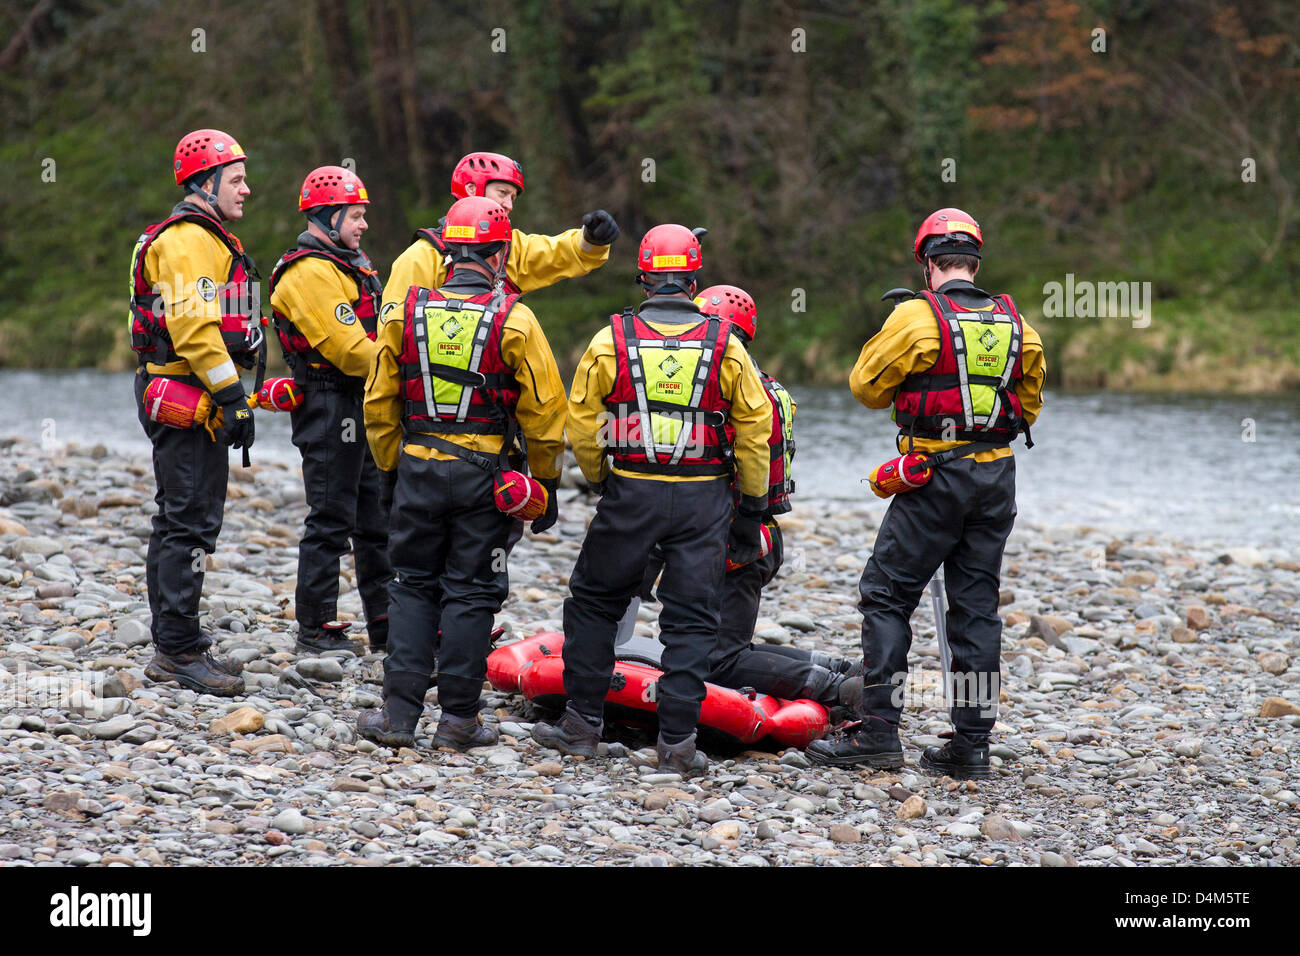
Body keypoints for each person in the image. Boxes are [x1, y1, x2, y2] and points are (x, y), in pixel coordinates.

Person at [807, 208, 1046, 777]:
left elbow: (866, 387)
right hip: (996, 478)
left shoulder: (915, 318)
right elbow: (1029, 403)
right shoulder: (1019, 325)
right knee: (976, 608)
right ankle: (972, 746)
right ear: (975, 262)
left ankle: (880, 734)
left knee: (886, 595)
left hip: (934, 476)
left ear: (927, 262)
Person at [531, 225, 773, 777]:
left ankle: (581, 725)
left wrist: (600, 478)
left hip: (631, 492)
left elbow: (583, 420)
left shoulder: (609, 339)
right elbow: (755, 429)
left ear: (643, 278)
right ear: (693, 278)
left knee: (595, 602)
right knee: (691, 620)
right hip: (703, 499)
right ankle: (678, 745)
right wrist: (753, 506)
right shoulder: (724, 342)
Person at [358, 196, 567, 751]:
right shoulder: (516, 319)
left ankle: (398, 720)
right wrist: (545, 486)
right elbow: (546, 414)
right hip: (487, 483)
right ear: (500, 255)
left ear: (447, 251)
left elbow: (378, 404)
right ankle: (458, 722)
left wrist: (388, 471)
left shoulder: (403, 313)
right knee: (472, 593)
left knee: (411, 587)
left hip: (418, 471)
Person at [128, 128, 265, 696]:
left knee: (180, 519)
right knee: (189, 523)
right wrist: (234, 399)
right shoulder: (187, 240)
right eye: (235, 179)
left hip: (192, 392)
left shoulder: (208, 238)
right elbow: (192, 330)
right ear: (205, 183)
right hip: (184, 396)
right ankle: (178, 651)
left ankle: (175, 640)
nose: (246, 189)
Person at [677, 284, 856, 707]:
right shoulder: (773, 388)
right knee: (723, 643)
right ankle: (841, 669)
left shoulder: (723, 389)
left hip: (734, 539)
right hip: (763, 534)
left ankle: (840, 690)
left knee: (719, 659)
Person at [268, 166, 393, 654]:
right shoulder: (309, 272)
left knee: (376, 519)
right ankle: (315, 628)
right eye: (355, 215)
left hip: (360, 400)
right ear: (328, 214)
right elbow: (350, 349)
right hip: (327, 402)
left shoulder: (347, 264)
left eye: (363, 215)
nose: (363, 225)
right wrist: (406, 376)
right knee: (331, 516)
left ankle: (385, 625)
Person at [380, 150, 618, 323]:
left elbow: (561, 252)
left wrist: (591, 240)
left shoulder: (511, 250)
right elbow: (391, 334)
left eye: (513, 198)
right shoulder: (420, 258)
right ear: (471, 190)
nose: (509, 205)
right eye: (503, 193)